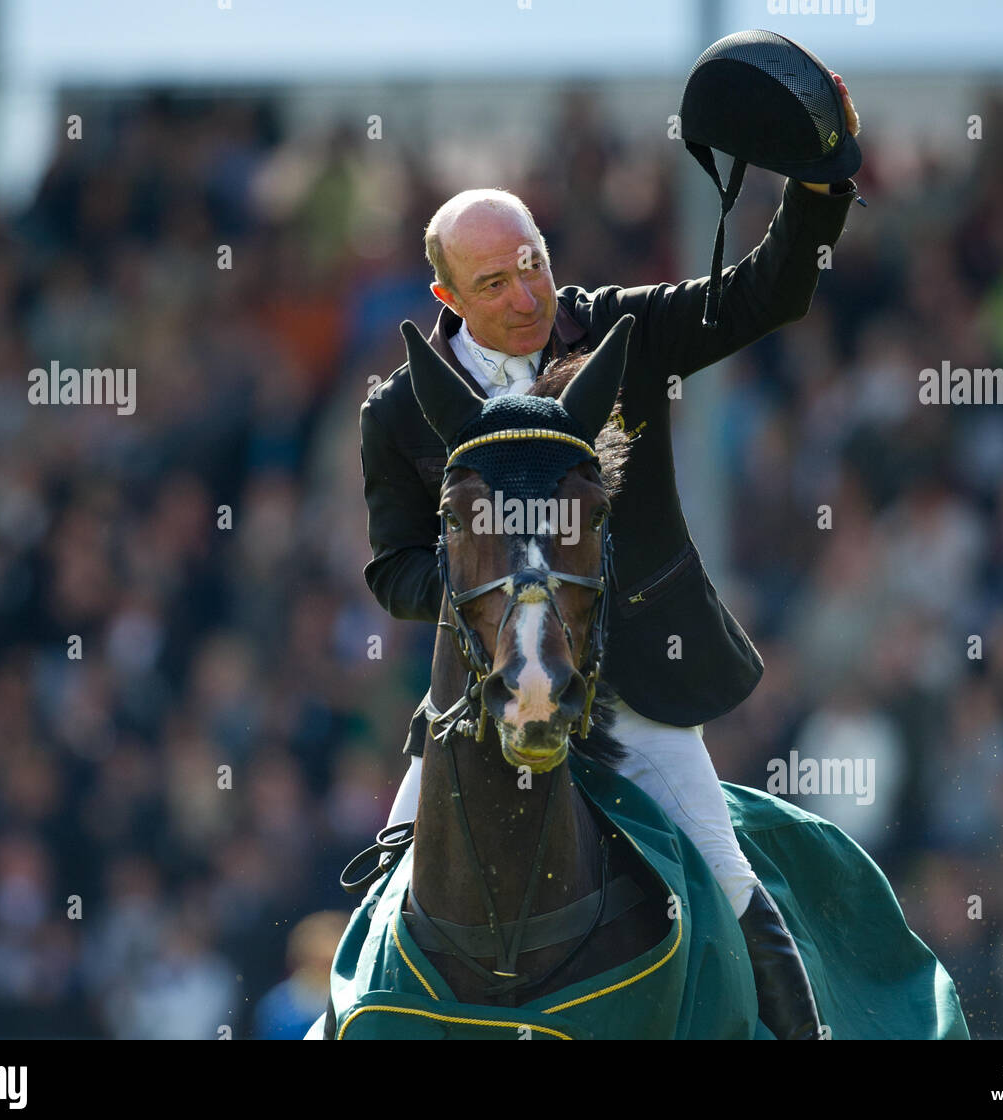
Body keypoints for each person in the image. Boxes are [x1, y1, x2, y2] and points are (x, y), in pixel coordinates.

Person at [360, 81, 861, 1039]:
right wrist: (490, 591)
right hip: (482, 692)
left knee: (729, 873)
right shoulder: (397, 412)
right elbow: (392, 571)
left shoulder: (618, 333)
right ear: (446, 299)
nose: (528, 297)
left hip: (632, 686)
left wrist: (821, 184)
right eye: (495, 285)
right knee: (382, 896)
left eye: (533, 265)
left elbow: (767, 293)